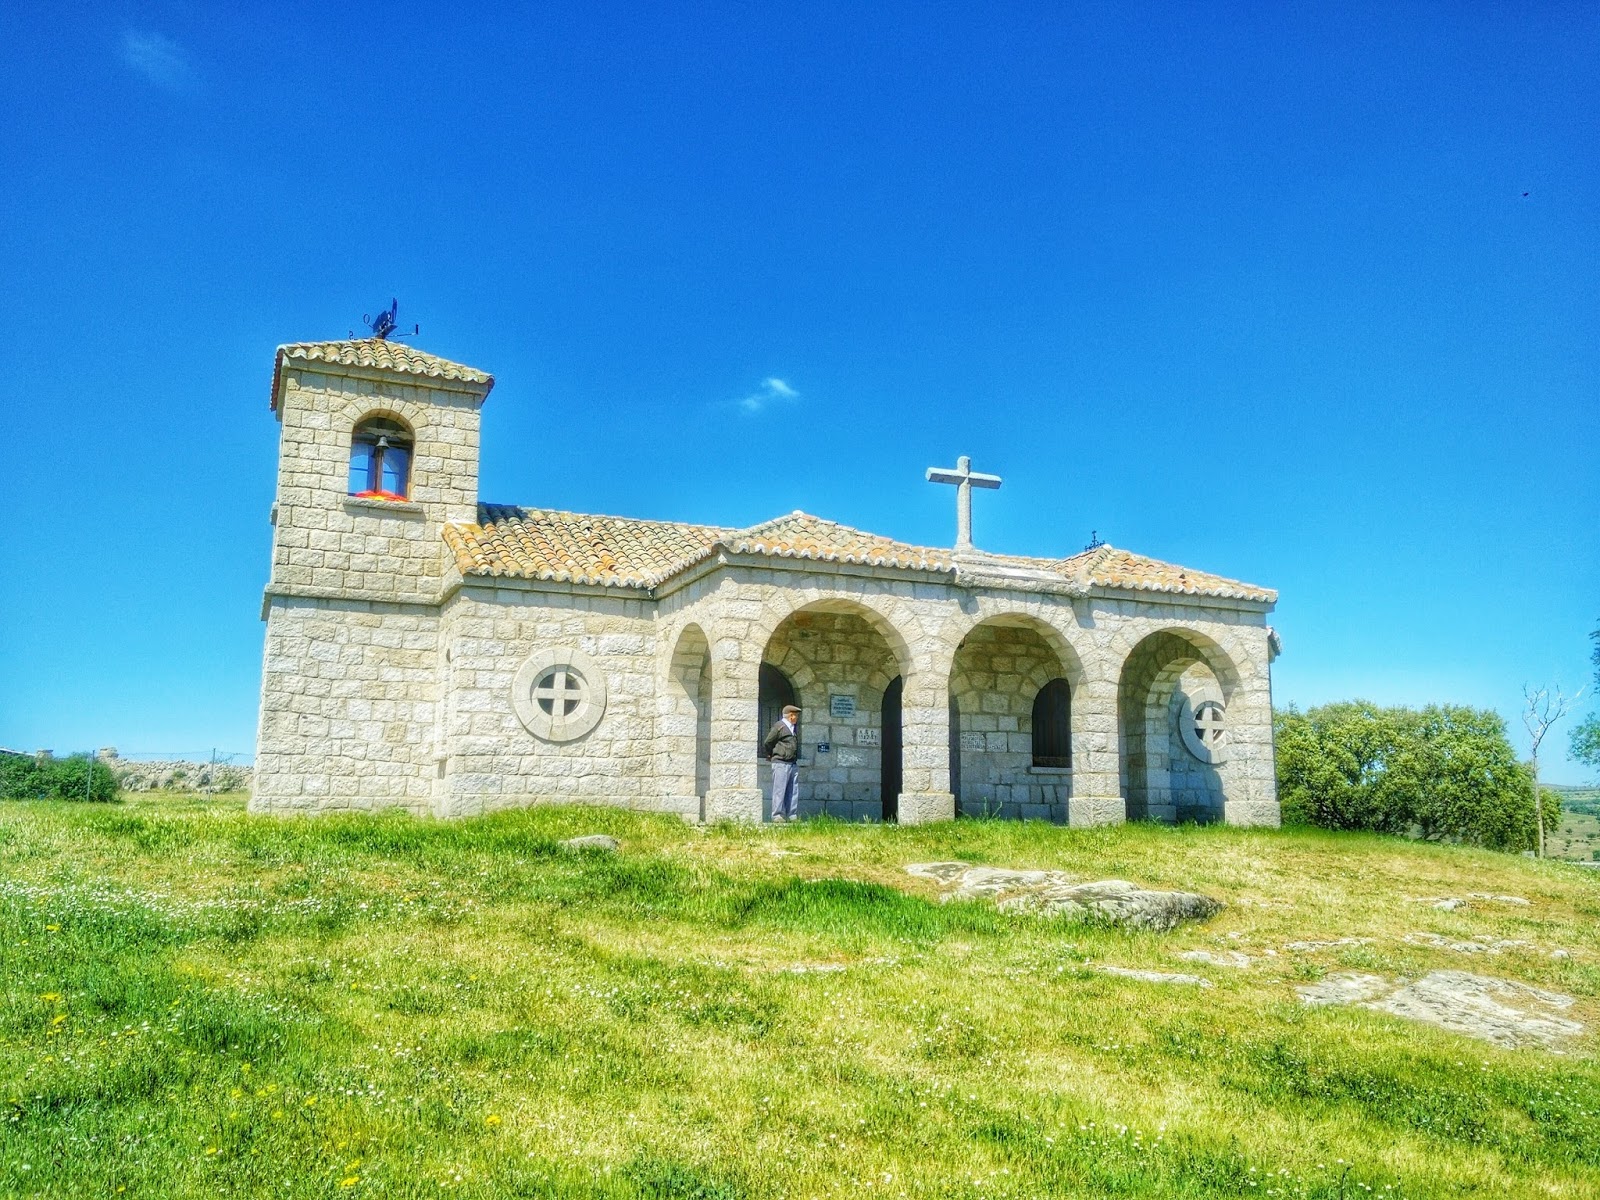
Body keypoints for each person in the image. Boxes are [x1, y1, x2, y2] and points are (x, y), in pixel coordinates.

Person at [762, 704, 802, 823]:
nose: (797, 718)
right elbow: (768, 742)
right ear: (791, 716)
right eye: (796, 715)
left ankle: (792, 815)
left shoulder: (792, 728)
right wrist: (772, 754)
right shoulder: (779, 726)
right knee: (779, 790)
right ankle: (777, 815)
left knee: (793, 790)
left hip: (792, 763)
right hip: (780, 762)